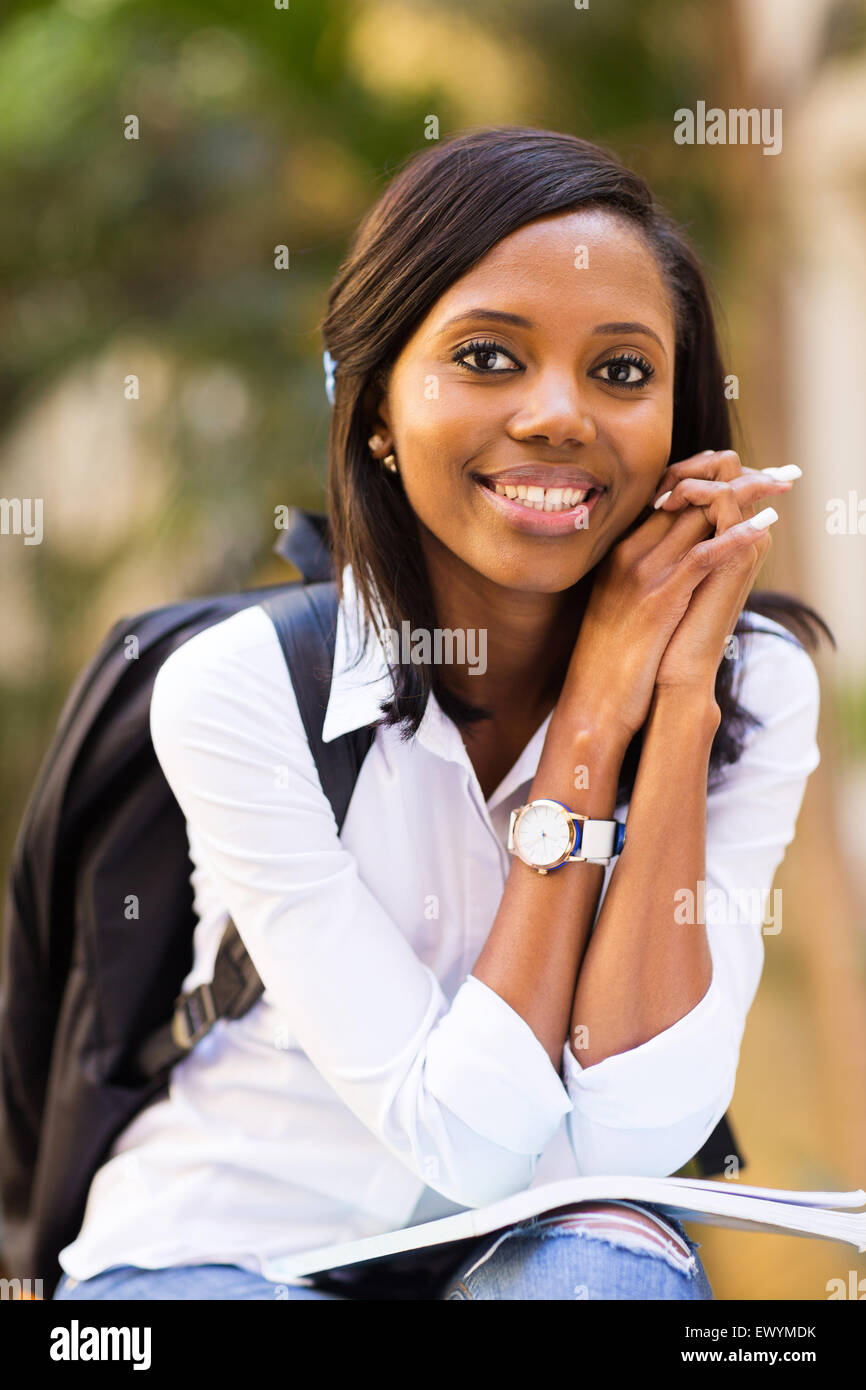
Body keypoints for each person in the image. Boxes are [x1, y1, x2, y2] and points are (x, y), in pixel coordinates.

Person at [54, 126, 825, 1301]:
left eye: (620, 371)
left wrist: (666, 704)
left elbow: (634, 1134)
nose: (558, 415)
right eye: (485, 356)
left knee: (600, 1280)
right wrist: (585, 726)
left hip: (542, 1254)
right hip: (230, 1247)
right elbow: (457, 1136)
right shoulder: (243, 688)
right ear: (374, 406)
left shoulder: (749, 684)